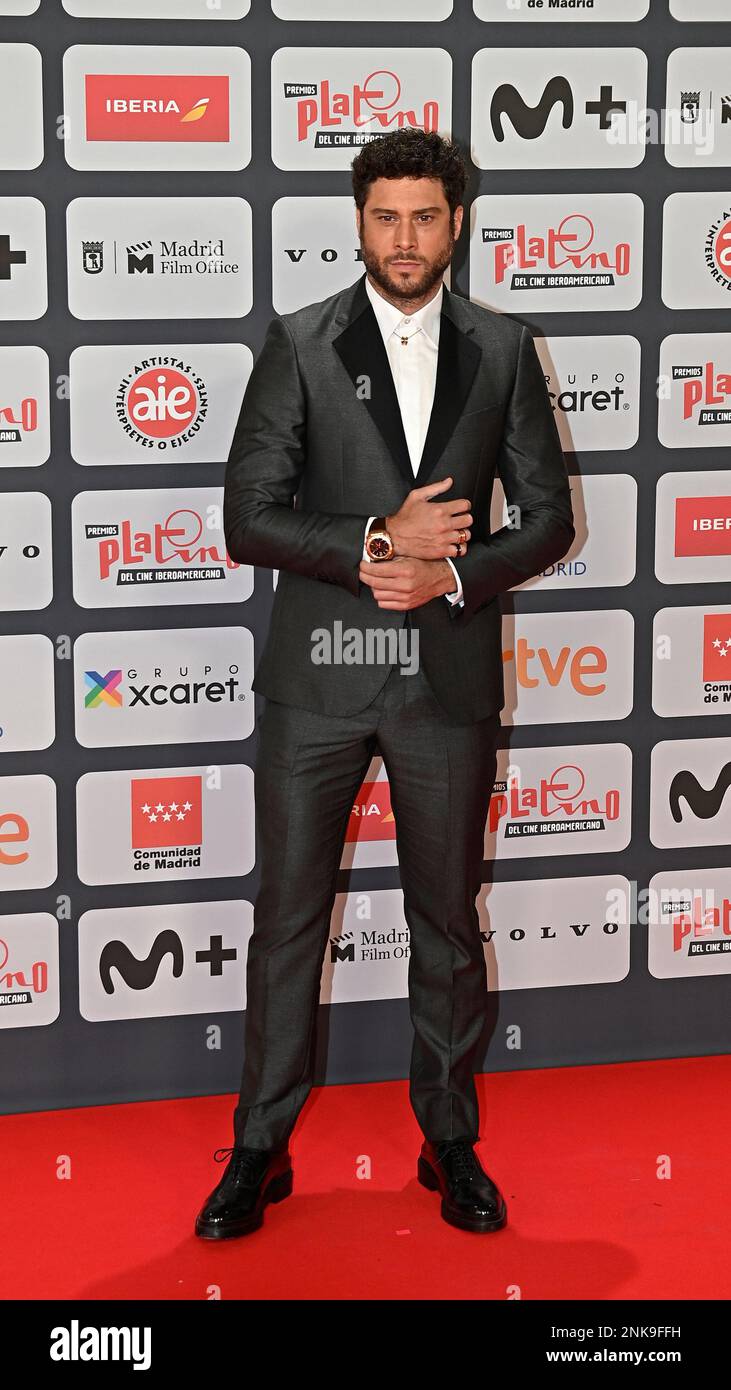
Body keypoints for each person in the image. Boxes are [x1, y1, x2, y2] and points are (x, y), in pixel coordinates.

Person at [195, 127, 574, 1241]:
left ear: (454, 223)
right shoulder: (301, 342)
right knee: (285, 923)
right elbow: (246, 515)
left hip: (441, 681)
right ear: (356, 222)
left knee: (445, 924)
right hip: (316, 680)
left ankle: (446, 1140)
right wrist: (375, 539)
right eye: (383, 216)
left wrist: (448, 567)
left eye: (423, 216)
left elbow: (546, 520)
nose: (402, 238)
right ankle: (257, 1150)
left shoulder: (503, 347)